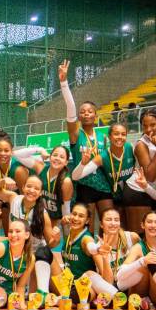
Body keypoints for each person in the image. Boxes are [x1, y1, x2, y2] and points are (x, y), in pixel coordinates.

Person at [59, 60, 112, 214]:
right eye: (83, 112)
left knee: (108, 220)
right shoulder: (75, 133)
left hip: (103, 184)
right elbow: (70, 108)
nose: (86, 114)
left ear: (96, 116)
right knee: (86, 223)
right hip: (83, 183)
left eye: (90, 111)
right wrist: (64, 83)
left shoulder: (103, 137)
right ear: (79, 117)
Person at [70, 122, 136, 218]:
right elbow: (75, 176)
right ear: (109, 136)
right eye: (116, 134)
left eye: (123, 134)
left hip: (130, 194)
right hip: (116, 197)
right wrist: (82, 163)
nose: (120, 137)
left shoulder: (131, 148)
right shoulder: (102, 157)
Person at [122, 109, 156, 232]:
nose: (149, 129)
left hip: (155, 193)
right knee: (141, 237)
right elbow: (149, 176)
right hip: (137, 191)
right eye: (145, 126)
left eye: (153, 125)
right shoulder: (141, 144)